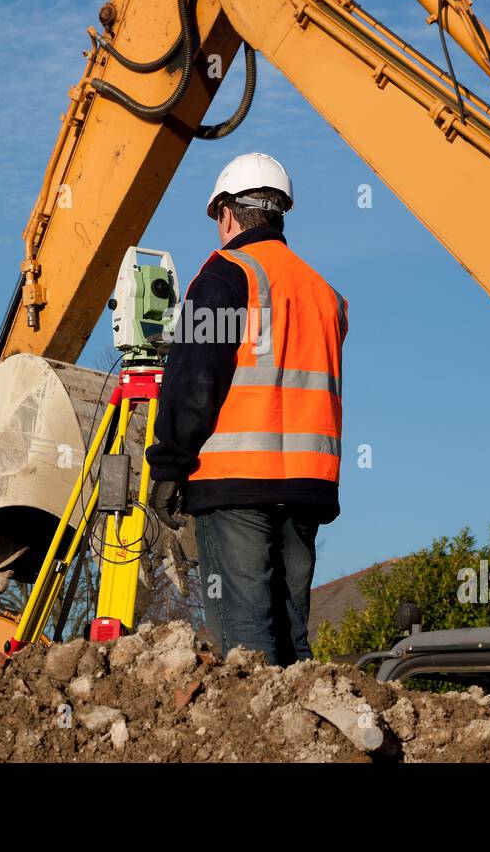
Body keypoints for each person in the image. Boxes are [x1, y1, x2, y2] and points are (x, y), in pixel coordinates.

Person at [145, 152, 347, 665]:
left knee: (246, 642)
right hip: (307, 488)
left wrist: (169, 464)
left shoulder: (225, 276)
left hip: (235, 485)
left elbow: (193, 380)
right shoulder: (324, 294)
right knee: (292, 636)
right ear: (279, 216)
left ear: (228, 215)